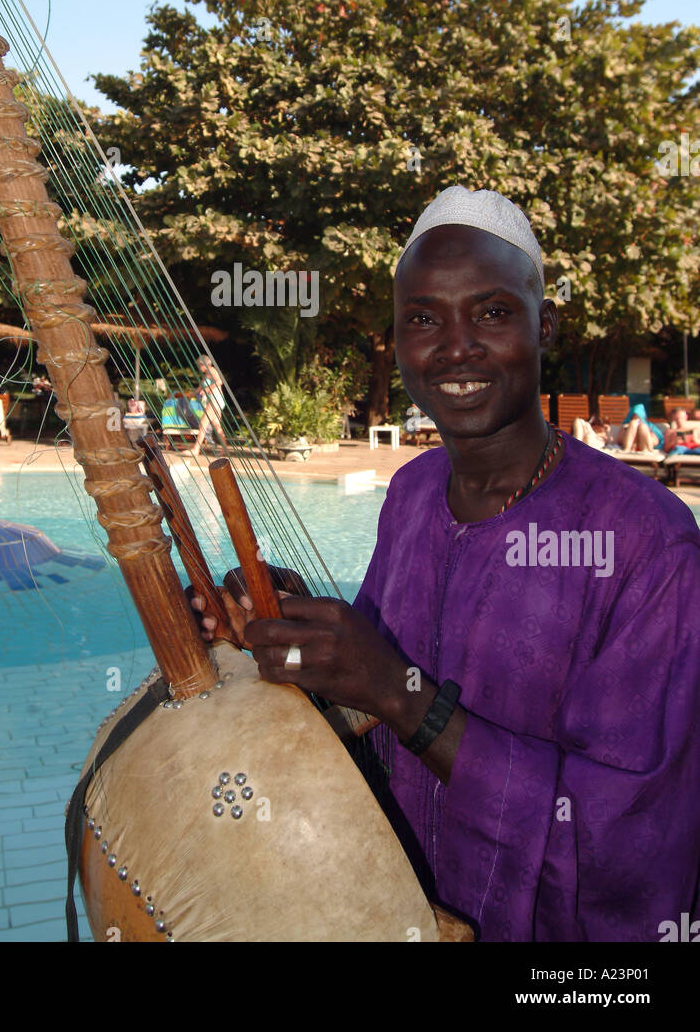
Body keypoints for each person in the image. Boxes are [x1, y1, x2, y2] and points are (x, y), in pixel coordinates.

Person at [191, 185, 700, 942]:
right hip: (395, 911)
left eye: (492, 313)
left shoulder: (647, 542)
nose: (456, 346)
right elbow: (376, 672)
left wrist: (403, 698)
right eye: (423, 319)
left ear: (544, 326)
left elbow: (633, 837)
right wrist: (289, 625)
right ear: (397, 343)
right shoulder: (414, 491)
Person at [189, 355, 230, 456]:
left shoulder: (212, 370)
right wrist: (188, 396)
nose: (199, 368)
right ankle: (225, 449)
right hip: (215, 400)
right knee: (216, 425)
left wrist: (207, 389)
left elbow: (219, 381)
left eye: (200, 366)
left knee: (203, 423)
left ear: (204, 364)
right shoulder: (207, 374)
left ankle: (196, 449)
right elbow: (199, 389)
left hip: (215, 399)